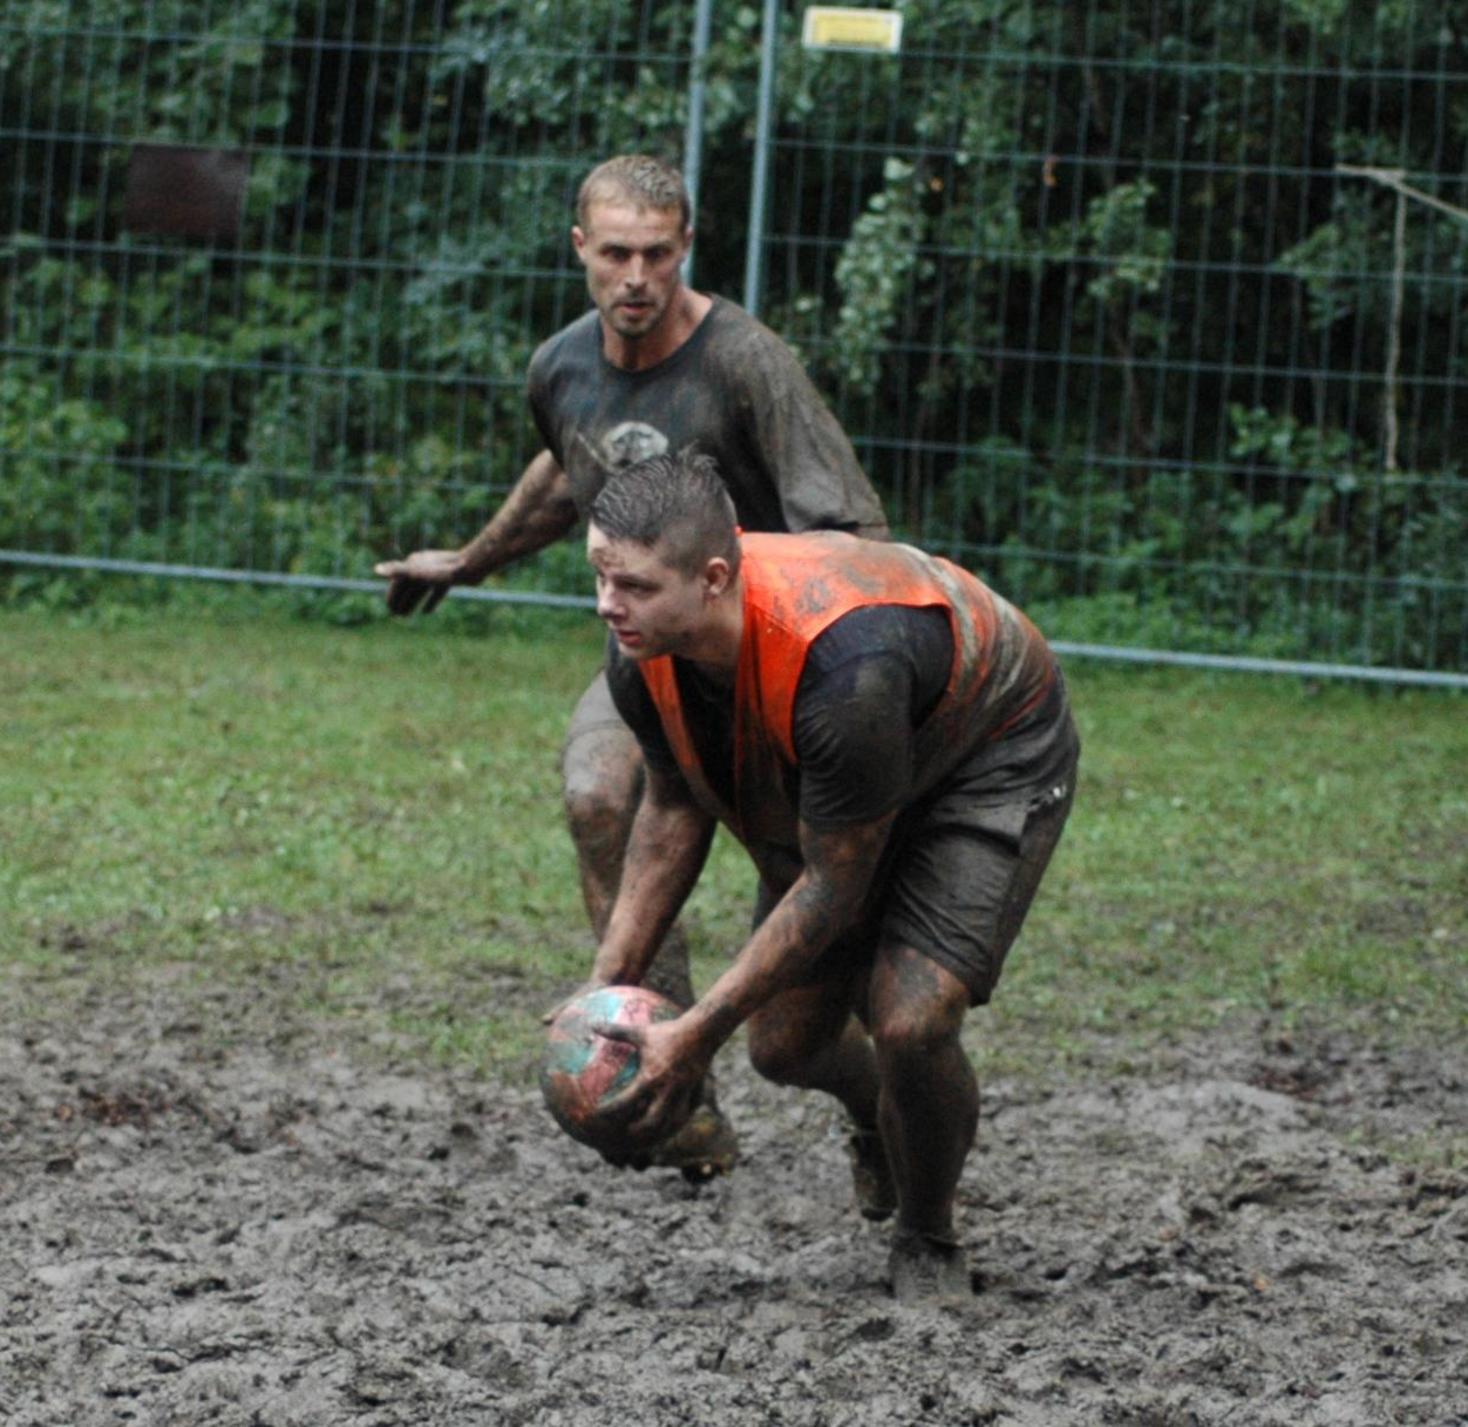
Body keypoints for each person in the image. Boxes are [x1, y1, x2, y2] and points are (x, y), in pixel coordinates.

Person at [374, 155, 888, 1178]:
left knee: (790, 1039)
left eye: (656, 252)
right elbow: (572, 469)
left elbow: (852, 526)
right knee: (595, 793)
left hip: (781, 679)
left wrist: (802, 645)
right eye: (614, 253)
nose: (635, 276)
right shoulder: (561, 364)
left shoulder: (746, 362)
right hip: (652, 673)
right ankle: (665, 1082)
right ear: (580, 249)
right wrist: (471, 559)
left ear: (685, 245)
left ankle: (875, 1105)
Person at [578, 453, 1079, 1304]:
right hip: (849, 772)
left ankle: (927, 1232)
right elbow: (669, 806)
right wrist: (606, 985)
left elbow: (833, 887)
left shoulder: (846, 668)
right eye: (598, 575)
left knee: (912, 1020)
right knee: (784, 1047)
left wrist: (694, 1032)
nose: (605, 604)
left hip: (987, 751)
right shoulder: (646, 646)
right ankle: (888, 1113)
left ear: (711, 577)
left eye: (631, 585)